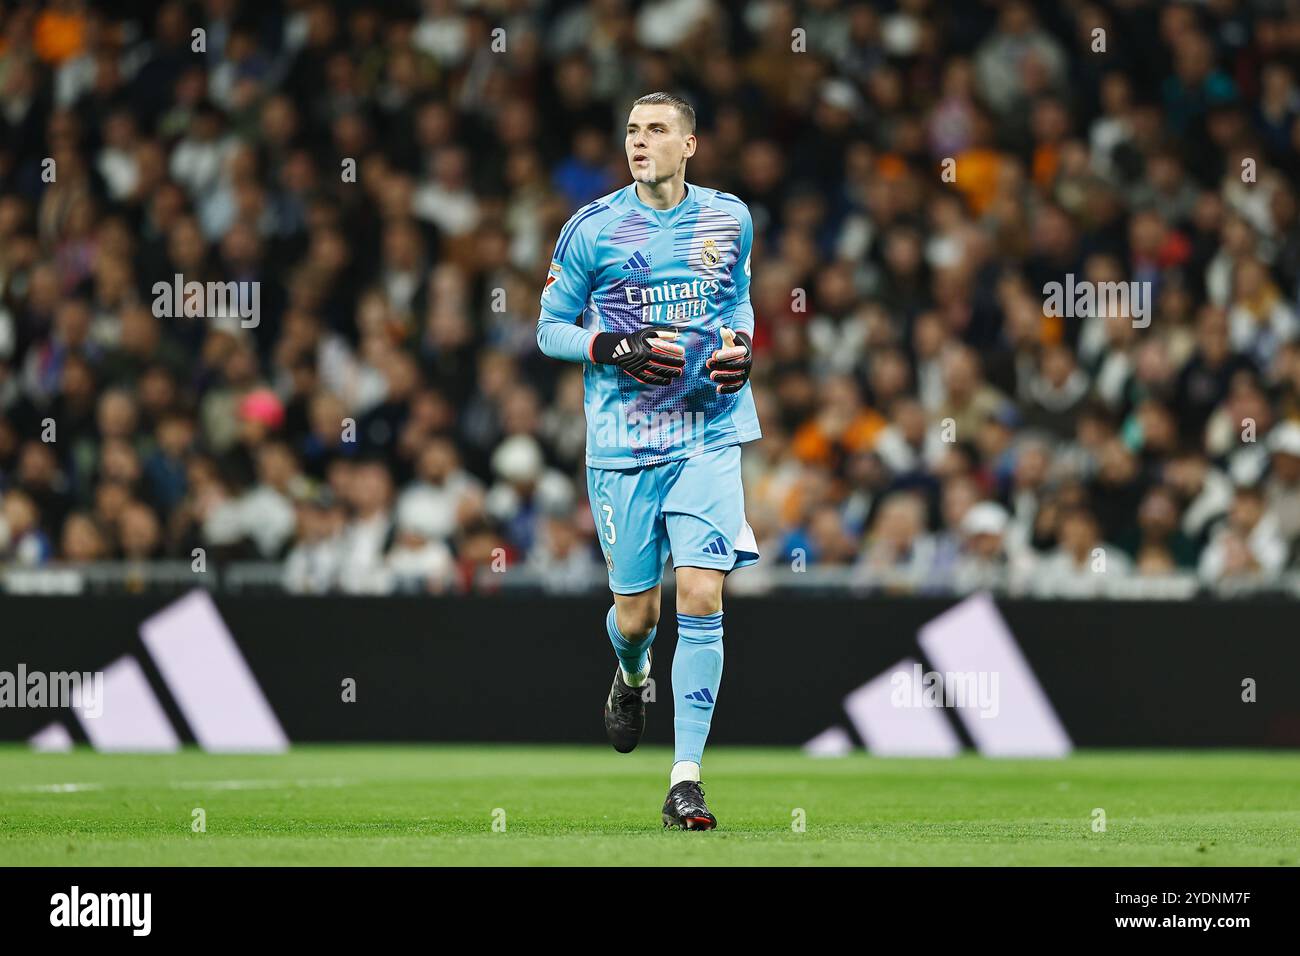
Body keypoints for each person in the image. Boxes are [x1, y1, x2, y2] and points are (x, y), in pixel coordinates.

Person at [535, 92, 761, 830]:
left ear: (690, 144)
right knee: (637, 616)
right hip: (624, 447)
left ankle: (685, 781)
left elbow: (740, 301)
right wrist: (610, 345)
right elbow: (548, 330)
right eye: (632, 130)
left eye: (657, 130)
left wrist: (741, 351)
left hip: (707, 432)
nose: (640, 141)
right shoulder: (592, 230)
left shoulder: (729, 219)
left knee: (701, 593)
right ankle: (630, 676)